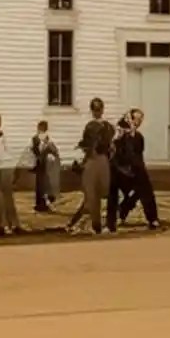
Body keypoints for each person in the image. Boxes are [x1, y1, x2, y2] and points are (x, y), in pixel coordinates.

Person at [75, 98, 115, 236]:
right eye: (95, 109)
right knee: (92, 193)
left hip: (99, 159)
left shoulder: (106, 127)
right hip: (95, 159)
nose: (97, 112)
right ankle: (95, 224)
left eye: (99, 109)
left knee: (98, 192)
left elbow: (105, 145)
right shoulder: (99, 126)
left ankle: (97, 223)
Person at [116, 109, 161, 230]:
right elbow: (121, 154)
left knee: (146, 193)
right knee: (132, 194)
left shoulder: (139, 137)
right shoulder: (121, 136)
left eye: (140, 119)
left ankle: (152, 218)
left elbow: (139, 154)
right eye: (136, 119)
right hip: (124, 171)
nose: (138, 122)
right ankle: (121, 213)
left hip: (138, 169)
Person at [0, 114, 23, 236]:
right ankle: (13, 224)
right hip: (8, 165)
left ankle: (3, 225)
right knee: (7, 197)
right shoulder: (5, 136)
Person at [30, 120, 60, 213]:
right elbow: (34, 150)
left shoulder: (47, 139)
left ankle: (46, 202)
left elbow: (54, 150)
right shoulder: (35, 138)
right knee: (40, 186)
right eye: (41, 127)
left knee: (46, 185)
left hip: (46, 165)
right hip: (40, 164)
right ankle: (40, 204)